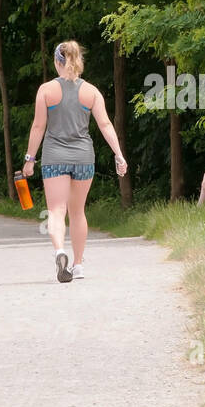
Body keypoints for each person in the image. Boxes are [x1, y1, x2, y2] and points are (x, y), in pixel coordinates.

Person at [21, 40, 127, 282]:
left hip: (54, 158)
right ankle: (78, 265)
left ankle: (60, 251)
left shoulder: (46, 90)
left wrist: (29, 159)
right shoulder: (91, 92)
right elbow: (105, 125)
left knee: (56, 212)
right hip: (83, 158)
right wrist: (119, 154)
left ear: (58, 62)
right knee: (78, 212)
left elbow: (38, 127)